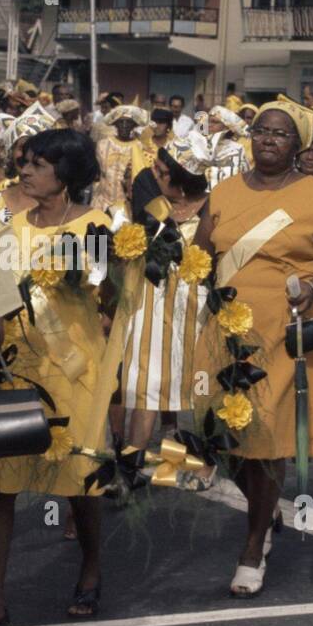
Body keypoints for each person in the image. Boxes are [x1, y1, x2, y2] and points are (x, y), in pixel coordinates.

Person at [192, 98, 313, 592]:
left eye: (281, 134)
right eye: (261, 130)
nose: (267, 138)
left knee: (266, 442)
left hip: (286, 333)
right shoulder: (221, 192)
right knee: (216, 436)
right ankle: (262, 513)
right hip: (225, 329)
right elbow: (200, 258)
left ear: (299, 145)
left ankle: (252, 546)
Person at [0, 130, 113, 626]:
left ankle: (91, 569)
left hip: (75, 369)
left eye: (38, 165)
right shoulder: (9, 228)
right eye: (24, 164)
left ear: (66, 173)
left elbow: (104, 290)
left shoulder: (95, 227)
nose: (25, 172)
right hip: (16, 365)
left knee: (81, 480)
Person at [120, 134, 212, 449]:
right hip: (151, 307)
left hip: (197, 310)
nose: (152, 175)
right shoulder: (152, 203)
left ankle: (198, 454)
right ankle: (132, 464)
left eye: (160, 171)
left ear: (182, 183)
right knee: (147, 384)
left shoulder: (214, 208)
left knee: (200, 387)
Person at [92, 104, 146, 212]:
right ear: (115, 124)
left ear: (134, 125)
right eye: (121, 122)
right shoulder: (103, 144)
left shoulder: (140, 147)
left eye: (129, 122)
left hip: (127, 205)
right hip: (102, 203)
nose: (124, 125)